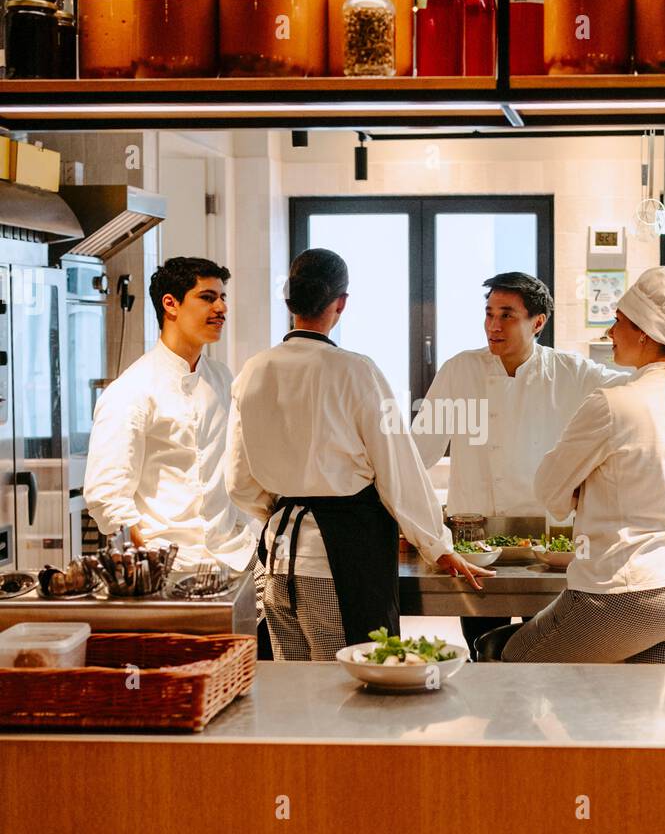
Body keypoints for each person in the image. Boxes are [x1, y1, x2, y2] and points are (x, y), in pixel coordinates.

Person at [225, 248, 492, 662]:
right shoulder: (356, 371)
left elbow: (239, 481)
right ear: (341, 303)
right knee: (344, 692)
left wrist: (280, 510)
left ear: (289, 301)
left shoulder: (253, 371)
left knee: (291, 694)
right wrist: (437, 544)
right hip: (338, 564)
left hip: (276, 563)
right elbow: (398, 470)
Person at [502, 266, 665, 664]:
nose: (609, 332)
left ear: (644, 331)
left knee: (514, 661)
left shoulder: (613, 402)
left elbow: (549, 490)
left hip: (627, 594)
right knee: (647, 718)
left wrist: (581, 489)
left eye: (617, 321)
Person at [411, 270, 627, 657]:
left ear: (538, 322)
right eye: (489, 313)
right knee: (481, 649)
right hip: (473, 545)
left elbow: (637, 390)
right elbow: (418, 454)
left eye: (507, 315)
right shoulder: (460, 370)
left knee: (538, 656)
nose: (493, 325)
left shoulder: (571, 373)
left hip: (546, 548)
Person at [84, 256, 263, 612]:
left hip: (235, 563)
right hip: (172, 575)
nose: (221, 308)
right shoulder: (131, 390)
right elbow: (107, 497)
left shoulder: (222, 378)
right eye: (208, 297)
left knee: (241, 665)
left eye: (223, 297)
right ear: (171, 304)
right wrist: (154, 565)